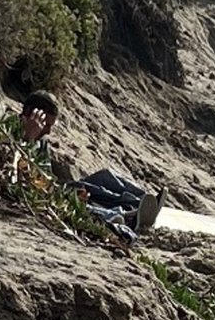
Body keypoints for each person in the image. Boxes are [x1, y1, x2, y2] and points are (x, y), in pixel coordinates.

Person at [14, 91, 162, 235]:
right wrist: (28, 138)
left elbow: (46, 176)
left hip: (51, 187)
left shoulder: (42, 142)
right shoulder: (13, 132)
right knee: (76, 199)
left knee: (103, 177)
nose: (48, 131)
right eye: (46, 124)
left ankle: (145, 201)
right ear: (31, 114)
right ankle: (124, 215)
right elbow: (21, 175)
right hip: (41, 194)